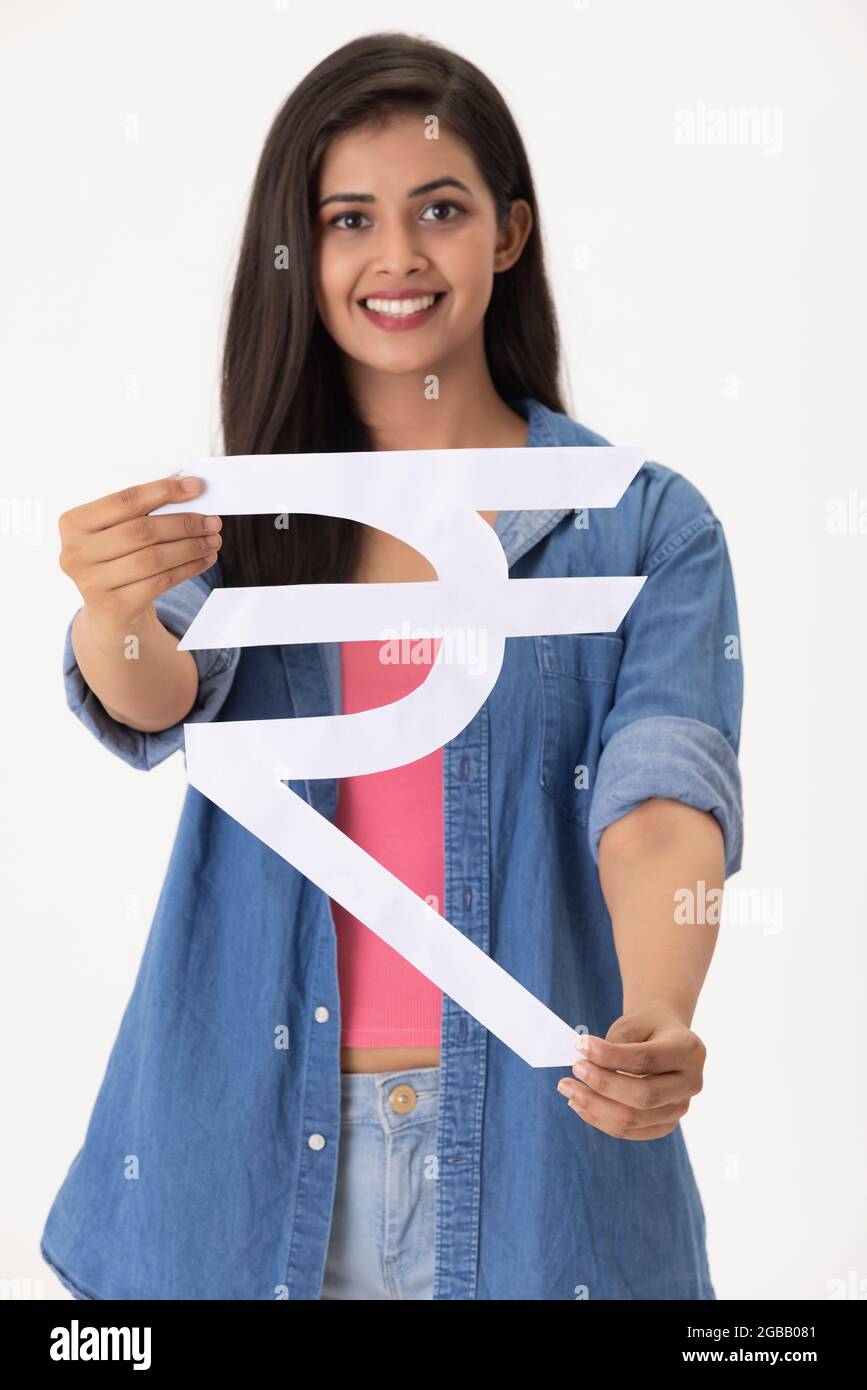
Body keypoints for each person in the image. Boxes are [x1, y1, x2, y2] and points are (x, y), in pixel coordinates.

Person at [42, 32, 743, 1300]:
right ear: (298, 255)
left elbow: (659, 801)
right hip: (240, 1167)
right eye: (348, 218)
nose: (398, 255)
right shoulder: (237, 520)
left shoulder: (642, 523)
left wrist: (665, 1007)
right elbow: (153, 692)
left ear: (508, 234)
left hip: (544, 1168)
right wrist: (111, 610)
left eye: (441, 209)